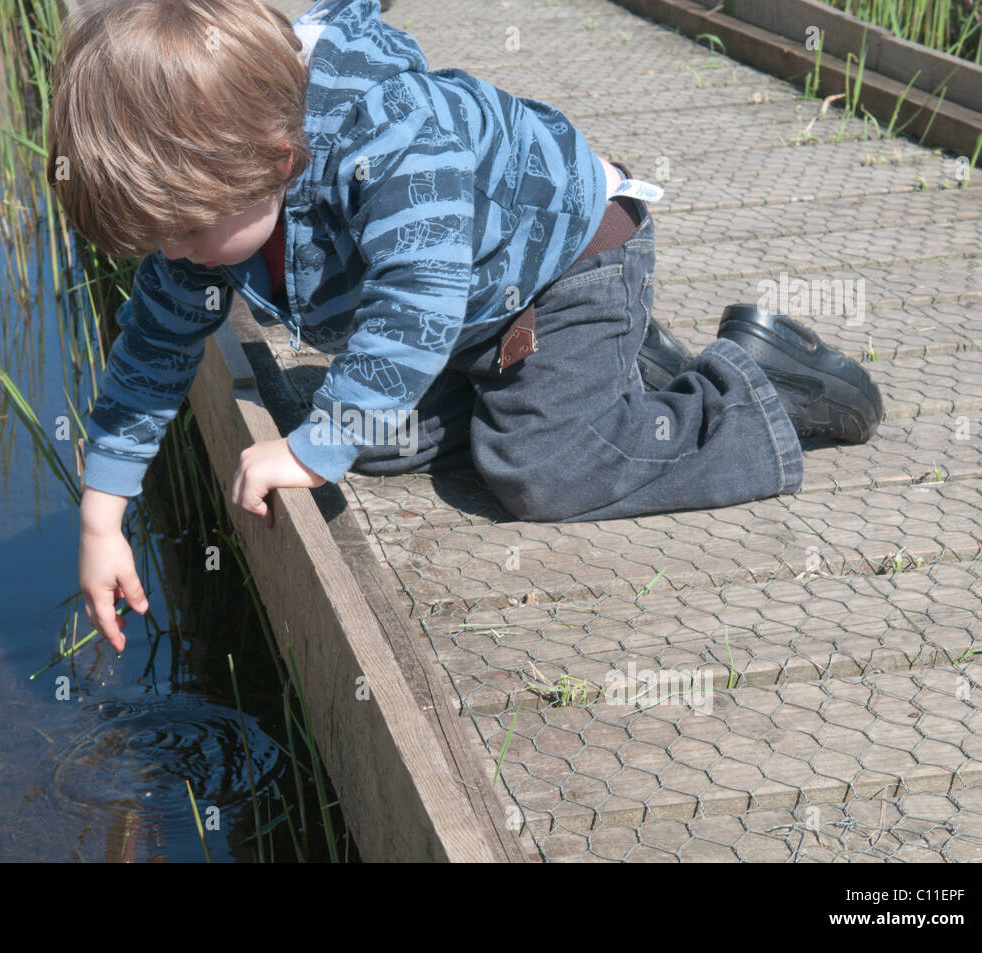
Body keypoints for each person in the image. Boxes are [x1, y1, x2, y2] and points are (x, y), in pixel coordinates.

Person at [46, 0, 884, 650]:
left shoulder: (391, 136)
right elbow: (153, 351)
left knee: (540, 469)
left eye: (186, 231)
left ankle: (756, 383)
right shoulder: (205, 210)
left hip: (566, 264)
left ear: (274, 161)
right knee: (352, 435)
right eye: (157, 237)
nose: (176, 255)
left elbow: (417, 299)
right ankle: (614, 368)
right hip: (472, 314)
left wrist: (316, 444)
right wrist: (100, 517)